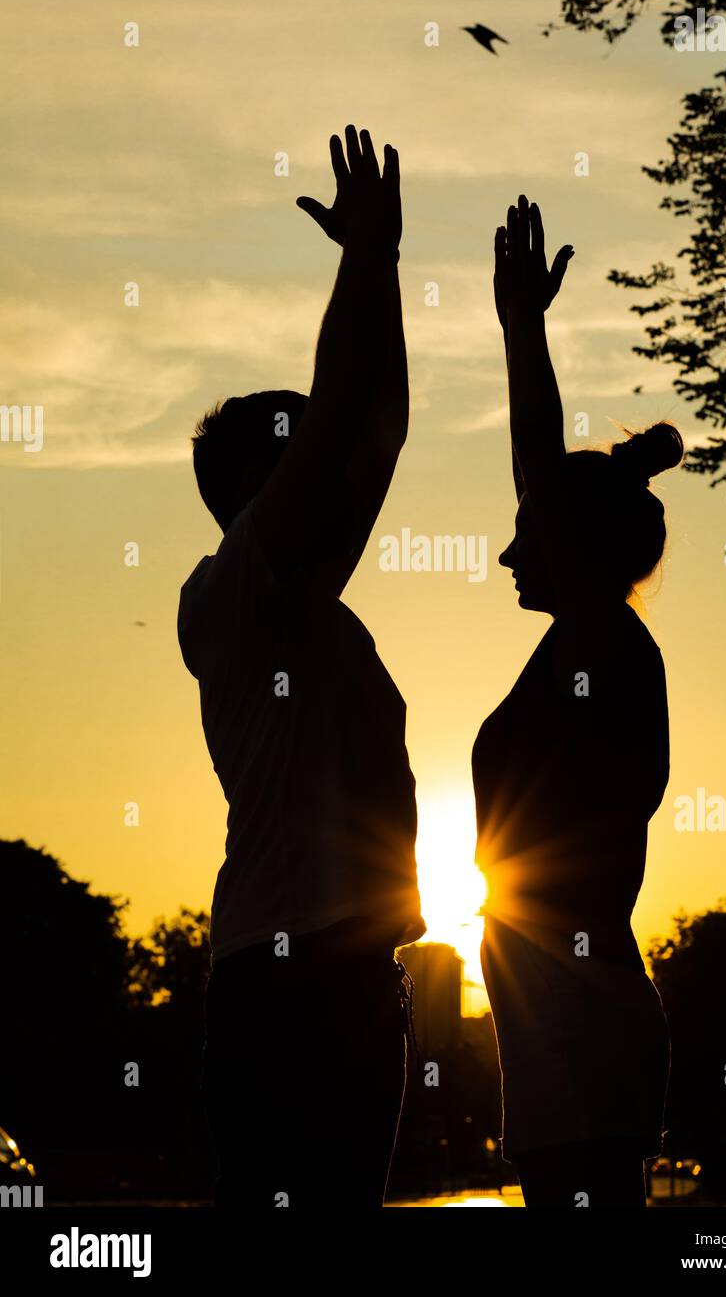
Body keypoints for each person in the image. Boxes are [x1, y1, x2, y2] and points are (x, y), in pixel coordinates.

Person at [177, 126, 426, 1208]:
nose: (314, 457)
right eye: (290, 447)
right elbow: (342, 425)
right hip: (281, 982)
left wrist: (382, 260)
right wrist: (356, 262)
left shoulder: (319, 614)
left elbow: (377, 427)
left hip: (354, 970)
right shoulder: (228, 594)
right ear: (255, 484)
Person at [473, 195, 682, 1209]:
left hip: (576, 1020)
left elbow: (539, 476)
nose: (509, 553)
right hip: (557, 1014)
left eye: (529, 532)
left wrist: (522, 330)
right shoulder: (578, 650)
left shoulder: (602, 642)